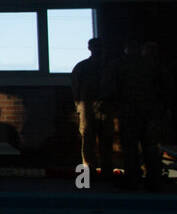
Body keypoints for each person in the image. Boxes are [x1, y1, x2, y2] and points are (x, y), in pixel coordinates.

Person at [116, 40, 168, 190]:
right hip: (150, 112)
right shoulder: (154, 66)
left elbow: (112, 88)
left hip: (130, 112)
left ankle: (133, 179)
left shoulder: (121, 66)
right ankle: (154, 179)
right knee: (150, 147)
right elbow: (166, 87)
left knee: (130, 147)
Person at [71, 38, 115, 175]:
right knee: (92, 139)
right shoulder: (107, 67)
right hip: (91, 107)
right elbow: (75, 89)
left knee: (97, 139)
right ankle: (96, 170)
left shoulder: (84, 66)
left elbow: (75, 89)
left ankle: (96, 170)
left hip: (94, 107)